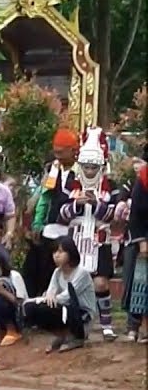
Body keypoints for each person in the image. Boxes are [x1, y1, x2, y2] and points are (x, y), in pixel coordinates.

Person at [58, 127, 119, 341]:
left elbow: (113, 215)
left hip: (99, 240)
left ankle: (106, 325)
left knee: (100, 283)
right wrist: (76, 205)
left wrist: (98, 205)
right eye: (86, 166)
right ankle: (76, 323)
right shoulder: (70, 184)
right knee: (73, 282)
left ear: (101, 166)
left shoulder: (109, 186)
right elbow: (61, 213)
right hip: (75, 239)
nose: (90, 171)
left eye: (94, 167)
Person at [24, 129, 81, 297]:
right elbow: (45, 196)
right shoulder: (54, 169)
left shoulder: (82, 170)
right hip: (51, 226)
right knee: (38, 265)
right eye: (55, 152)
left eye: (61, 152)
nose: (58, 156)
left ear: (73, 150)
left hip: (73, 227)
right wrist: (38, 223)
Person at [21, 236, 96, 353]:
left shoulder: (82, 273)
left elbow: (67, 296)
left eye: (61, 252)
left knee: (52, 306)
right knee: (32, 308)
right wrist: (40, 300)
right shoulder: (57, 272)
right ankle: (62, 335)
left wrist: (49, 298)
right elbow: (51, 291)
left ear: (70, 253)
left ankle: (77, 337)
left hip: (82, 315)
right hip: (65, 308)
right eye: (54, 252)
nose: (56, 255)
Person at [122, 143, 148, 343]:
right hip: (142, 238)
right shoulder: (143, 179)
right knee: (138, 281)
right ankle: (133, 326)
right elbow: (137, 214)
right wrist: (142, 242)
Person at [0, 246, 22, 345]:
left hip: (16, 314)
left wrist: (2, 291)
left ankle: (12, 329)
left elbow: (20, 303)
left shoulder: (14, 276)